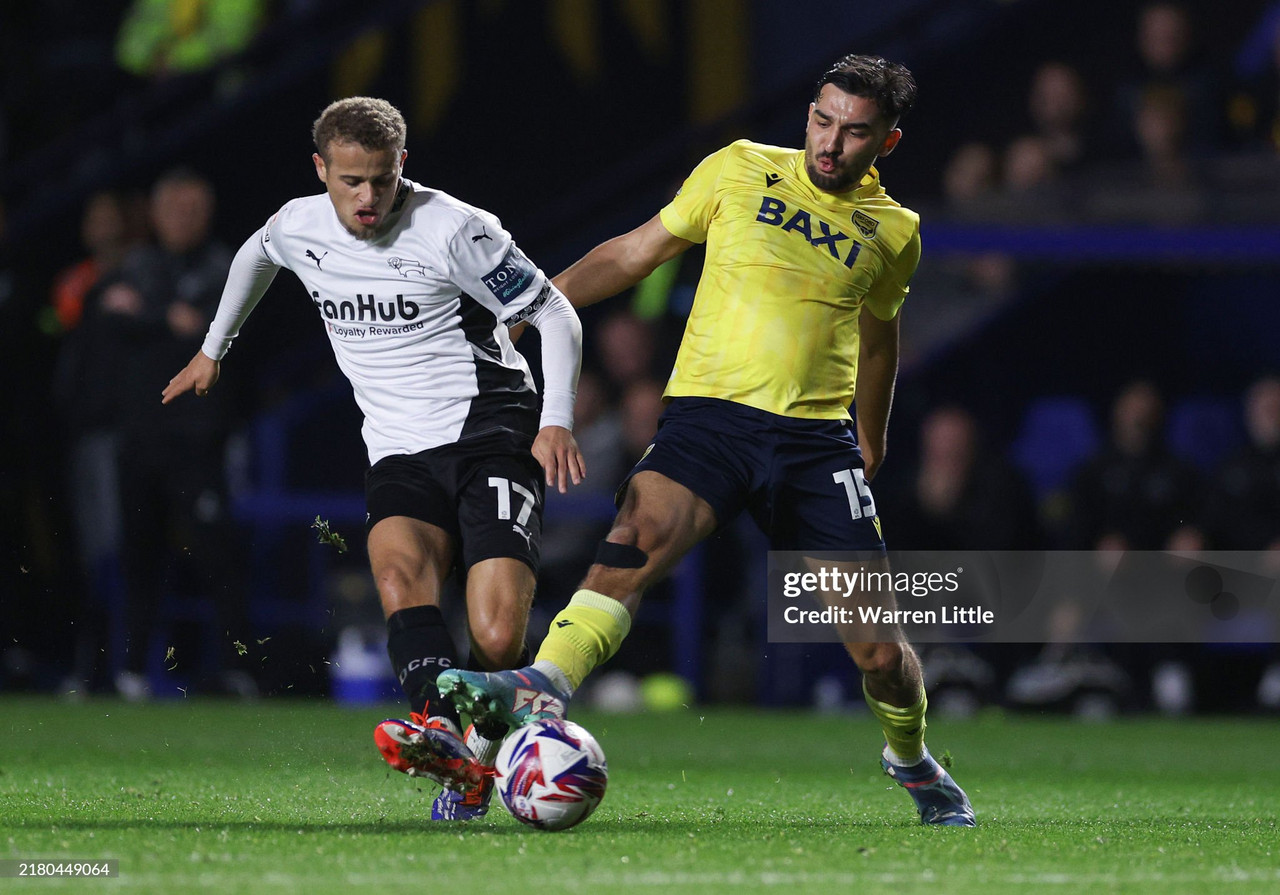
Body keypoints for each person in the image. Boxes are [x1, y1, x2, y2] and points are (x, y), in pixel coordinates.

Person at [441, 55, 976, 826]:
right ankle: (543, 684)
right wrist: (528, 307)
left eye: (855, 132)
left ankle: (913, 759)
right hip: (709, 419)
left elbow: (880, 338)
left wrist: (871, 434)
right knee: (635, 536)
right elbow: (632, 252)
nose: (831, 143)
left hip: (814, 444)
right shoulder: (738, 168)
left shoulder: (895, 232)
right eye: (823, 120)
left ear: (886, 142)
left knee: (881, 654)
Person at [162, 97, 585, 820]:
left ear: (402, 166)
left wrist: (556, 420)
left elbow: (554, 312)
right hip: (396, 445)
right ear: (320, 169)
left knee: (495, 634)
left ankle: (481, 751)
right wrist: (212, 350)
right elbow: (256, 254)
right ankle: (444, 740)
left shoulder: (456, 230)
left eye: (381, 181)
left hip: (490, 430)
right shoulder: (299, 225)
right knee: (395, 575)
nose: (366, 198)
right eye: (350, 181)